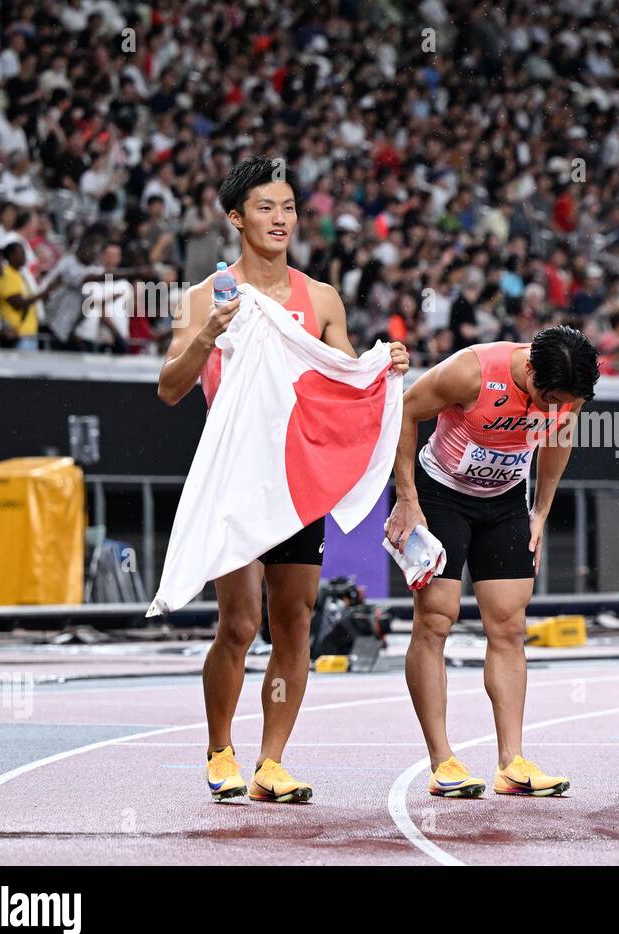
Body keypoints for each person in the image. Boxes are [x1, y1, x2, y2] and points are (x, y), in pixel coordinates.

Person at [157, 156, 409, 803]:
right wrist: (208, 335)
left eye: (289, 207)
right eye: (266, 207)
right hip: (237, 483)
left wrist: (386, 369)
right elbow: (169, 388)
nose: (280, 219)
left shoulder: (320, 297)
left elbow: (346, 382)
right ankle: (220, 750)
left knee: (293, 624)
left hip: (297, 484)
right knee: (239, 624)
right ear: (236, 217)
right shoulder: (208, 295)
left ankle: (272, 763)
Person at [386, 325, 599, 798]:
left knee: (508, 625)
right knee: (436, 620)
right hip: (441, 495)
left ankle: (512, 761)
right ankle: (442, 760)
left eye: (564, 402)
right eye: (547, 399)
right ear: (527, 369)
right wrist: (406, 497)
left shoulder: (567, 388)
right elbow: (405, 412)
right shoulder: (470, 372)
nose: (554, 409)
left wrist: (540, 510)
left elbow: (557, 440)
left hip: (504, 501)